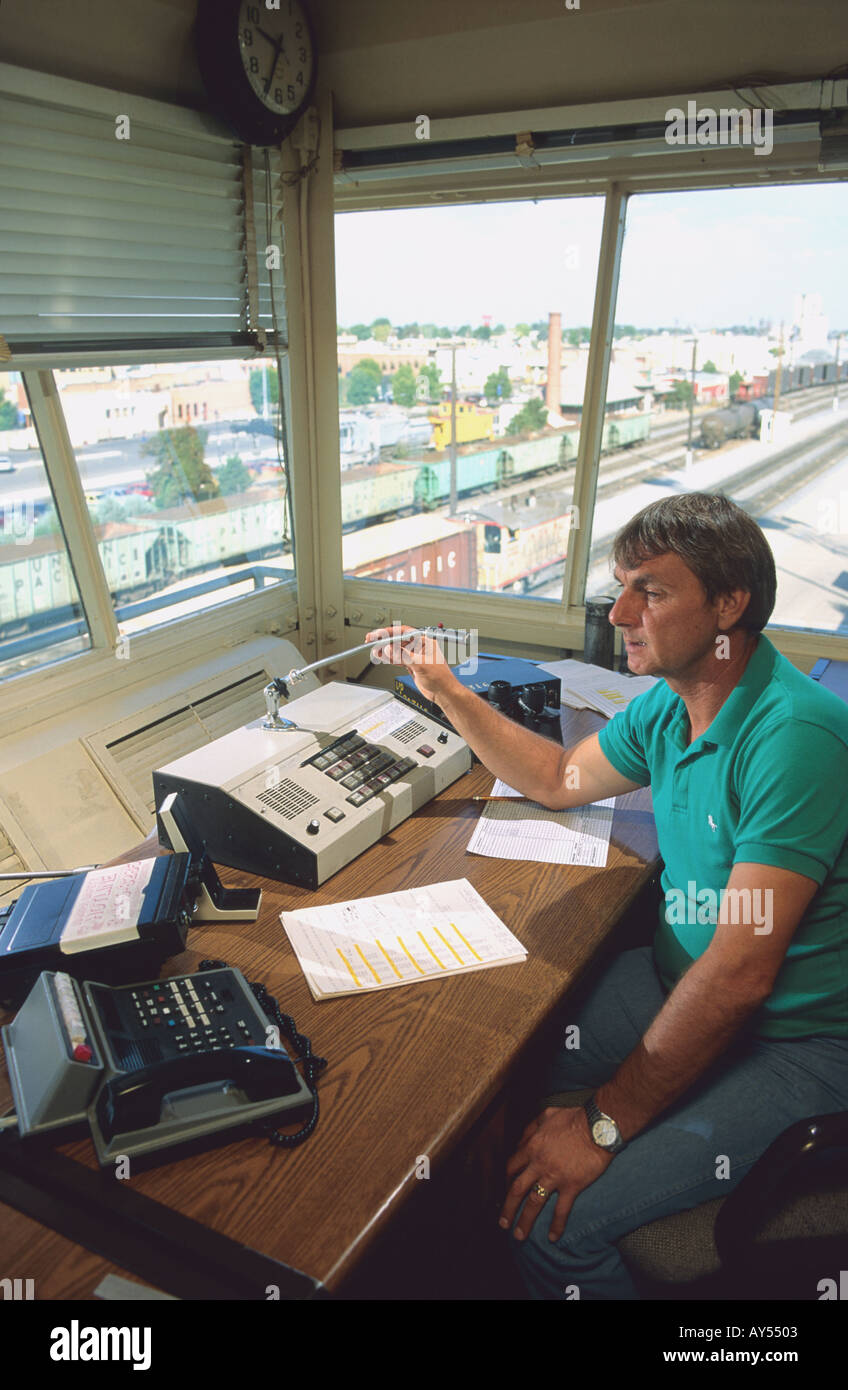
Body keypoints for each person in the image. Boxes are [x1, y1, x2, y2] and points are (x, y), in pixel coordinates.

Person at [367, 492, 848, 1300]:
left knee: (559, 1230)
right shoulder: (674, 702)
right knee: (509, 1063)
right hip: (680, 984)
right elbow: (559, 778)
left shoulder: (796, 739)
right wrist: (444, 688)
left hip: (796, 1042)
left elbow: (737, 979)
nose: (619, 610)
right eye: (620, 586)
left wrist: (602, 1125)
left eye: (650, 592)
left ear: (729, 604)